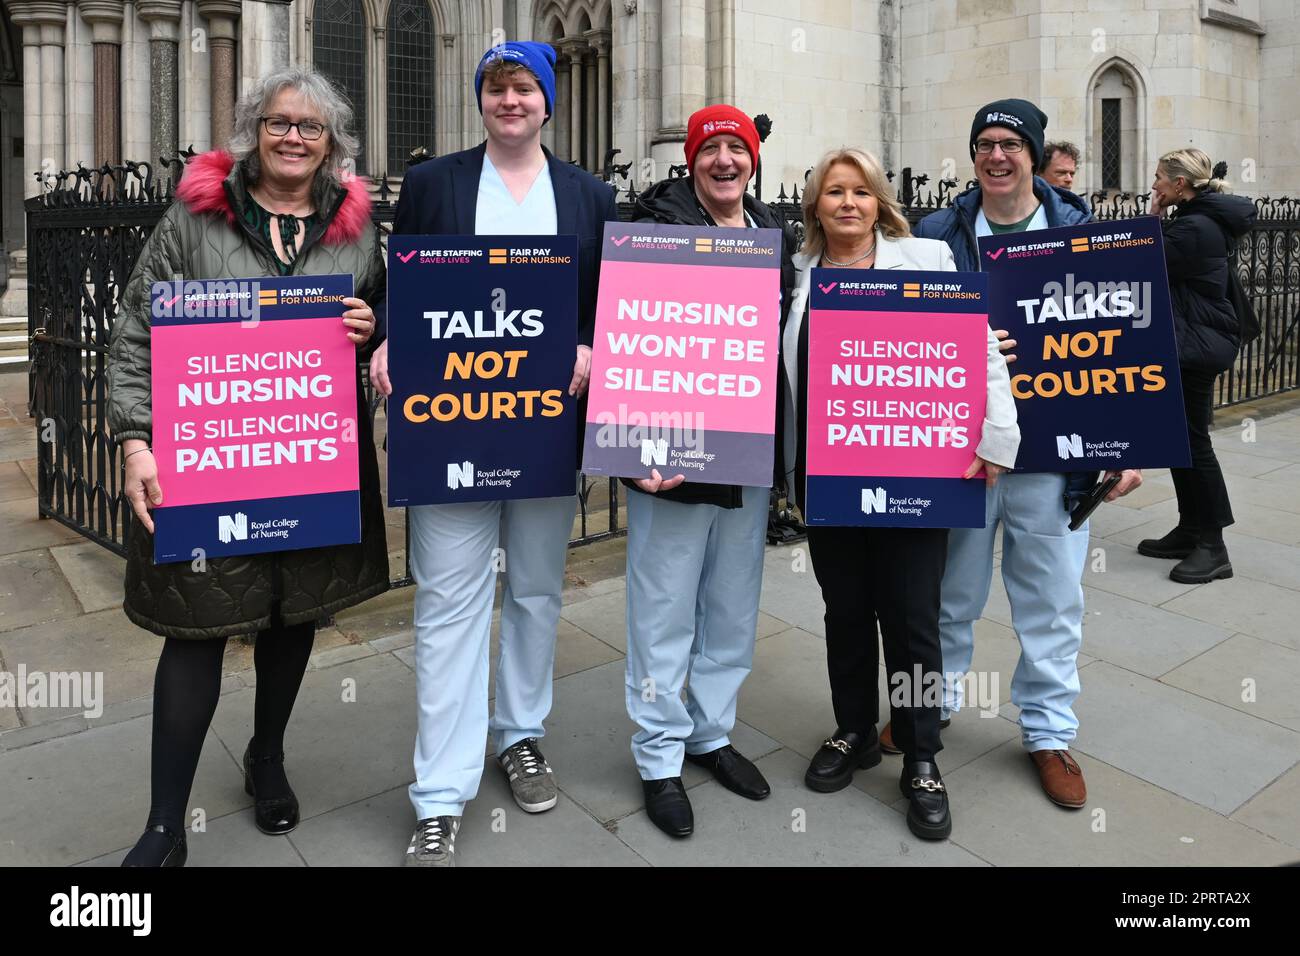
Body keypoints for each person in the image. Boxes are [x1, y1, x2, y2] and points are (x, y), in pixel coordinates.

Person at [106, 67, 389, 866]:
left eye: (310, 126)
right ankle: (165, 825)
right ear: (253, 132)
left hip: (309, 456)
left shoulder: (356, 230)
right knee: (195, 631)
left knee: (292, 614)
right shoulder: (194, 220)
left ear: (332, 143)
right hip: (210, 459)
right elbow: (135, 334)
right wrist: (135, 439)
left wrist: (374, 325)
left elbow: (389, 316)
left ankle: (267, 756)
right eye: (278, 123)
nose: (293, 137)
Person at [372, 41, 618, 866]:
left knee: (538, 591)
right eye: (495, 87)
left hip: (547, 424)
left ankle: (519, 735)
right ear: (481, 100)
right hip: (452, 426)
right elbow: (400, 284)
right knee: (447, 604)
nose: (509, 100)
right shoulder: (436, 183)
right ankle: (439, 793)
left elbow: (605, 307)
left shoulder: (588, 193)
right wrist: (386, 342)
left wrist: (590, 347)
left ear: (546, 102)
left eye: (523, 88)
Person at [890, 99, 1143, 810]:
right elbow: (911, 332)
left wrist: (1125, 444)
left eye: (1009, 144)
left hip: (1052, 456)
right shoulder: (939, 230)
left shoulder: (1079, 231)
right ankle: (926, 713)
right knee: (945, 598)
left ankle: (1049, 731)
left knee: (1053, 602)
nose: (996, 157)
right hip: (964, 451)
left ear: (1033, 154)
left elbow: (1117, 340)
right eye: (984, 145)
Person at [783, 148, 1020, 840]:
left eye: (860, 191)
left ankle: (920, 755)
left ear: (879, 201)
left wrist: (994, 434)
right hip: (831, 475)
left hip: (920, 471)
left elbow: (978, 351)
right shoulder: (799, 275)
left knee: (914, 616)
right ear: (816, 206)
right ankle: (854, 729)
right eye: (834, 192)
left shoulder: (925, 262)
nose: (848, 203)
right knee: (846, 610)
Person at [621, 104, 795, 838]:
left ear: (753, 158)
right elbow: (625, 333)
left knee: (730, 604)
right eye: (711, 149)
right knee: (663, 608)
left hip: (747, 450)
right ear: (691, 160)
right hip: (673, 453)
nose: (725, 160)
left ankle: (709, 732)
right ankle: (659, 754)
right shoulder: (654, 228)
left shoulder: (771, 235)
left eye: (737, 148)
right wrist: (635, 452)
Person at [1138, 149, 1255, 583]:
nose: (1155, 187)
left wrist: (1151, 218)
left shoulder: (1194, 227)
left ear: (1180, 185)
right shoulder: (1195, 221)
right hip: (1191, 339)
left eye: (1158, 180)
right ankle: (1191, 530)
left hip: (1195, 344)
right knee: (1181, 439)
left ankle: (1213, 545)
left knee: (1193, 441)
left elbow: (1143, 264)